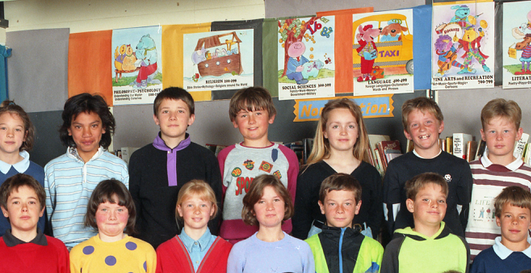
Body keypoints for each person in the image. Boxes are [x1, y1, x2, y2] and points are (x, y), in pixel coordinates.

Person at [128, 87, 224, 248]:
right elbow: (133, 206)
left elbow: (216, 205)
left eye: (180, 111)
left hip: (196, 245)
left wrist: (207, 244)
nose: (173, 117)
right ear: (156, 118)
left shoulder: (205, 158)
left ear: (191, 118)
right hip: (150, 246)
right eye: (165, 111)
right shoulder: (139, 158)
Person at [304, 173, 385, 273]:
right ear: (321, 206)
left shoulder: (374, 249)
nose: (340, 210)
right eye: (332, 203)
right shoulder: (307, 248)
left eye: (347, 204)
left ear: (357, 206)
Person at [45, 93, 129, 250]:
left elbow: (123, 212)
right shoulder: (52, 169)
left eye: (94, 125)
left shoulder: (118, 167)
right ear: (69, 130)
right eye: (78, 127)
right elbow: (48, 216)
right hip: (64, 250)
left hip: (106, 248)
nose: (87, 134)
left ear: (104, 128)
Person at [292, 98, 384, 241]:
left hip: (361, 243)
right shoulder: (309, 174)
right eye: (336, 126)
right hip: (320, 245)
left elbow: (376, 217)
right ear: (325, 132)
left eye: (350, 126)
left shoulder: (371, 174)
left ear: (358, 132)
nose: (343, 132)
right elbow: (300, 222)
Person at [466, 99, 531, 260]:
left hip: (515, 263)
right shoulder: (468, 172)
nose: (499, 138)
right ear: (483, 134)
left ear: (518, 134)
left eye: (506, 131)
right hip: (471, 262)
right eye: (492, 131)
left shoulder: (530, 178)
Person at [383, 96, 472, 239]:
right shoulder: (396, 167)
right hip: (409, 245)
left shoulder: (459, 167)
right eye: (415, 125)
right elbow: (391, 214)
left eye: (428, 122)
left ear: (440, 126)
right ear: (407, 133)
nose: (422, 129)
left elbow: (463, 213)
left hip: (447, 243)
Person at [217, 86, 299, 242]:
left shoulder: (287, 156)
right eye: (243, 115)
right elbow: (217, 201)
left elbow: (291, 198)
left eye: (258, 113)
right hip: (234, 238)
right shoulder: (225, 156)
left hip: (276, 236)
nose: (251, 120)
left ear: (271, 117)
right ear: (234, 121)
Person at [0, 100, 47, 252]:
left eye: (17, 130)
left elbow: (43, 220)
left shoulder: (39, 174)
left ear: (25, 135)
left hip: (32, 249)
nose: (10, 134)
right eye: (3, 128)